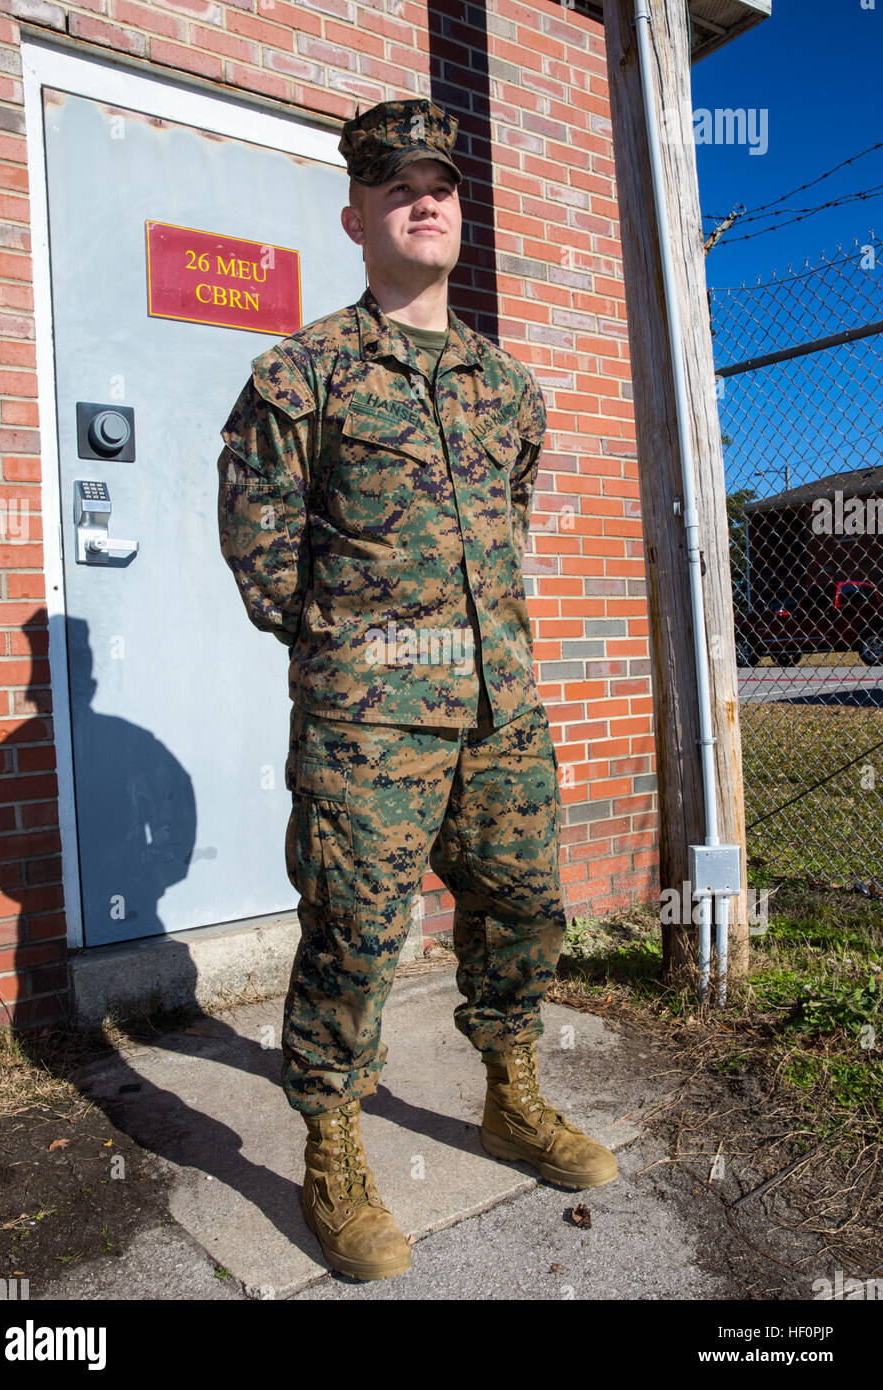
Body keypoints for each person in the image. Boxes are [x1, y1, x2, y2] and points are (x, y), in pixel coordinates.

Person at [217, 97, 618, 1283]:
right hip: (370, 724)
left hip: (502, 711)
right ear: (357, 215)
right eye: (398, 185)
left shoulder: (509, 390)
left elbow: (508, 526)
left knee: (524, 907)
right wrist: (354, 658)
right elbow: (261, 549)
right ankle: (331, 1146)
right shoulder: (301, 375)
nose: (425, 199)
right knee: (354, 933)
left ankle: (510, 1092)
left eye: (440, 183)